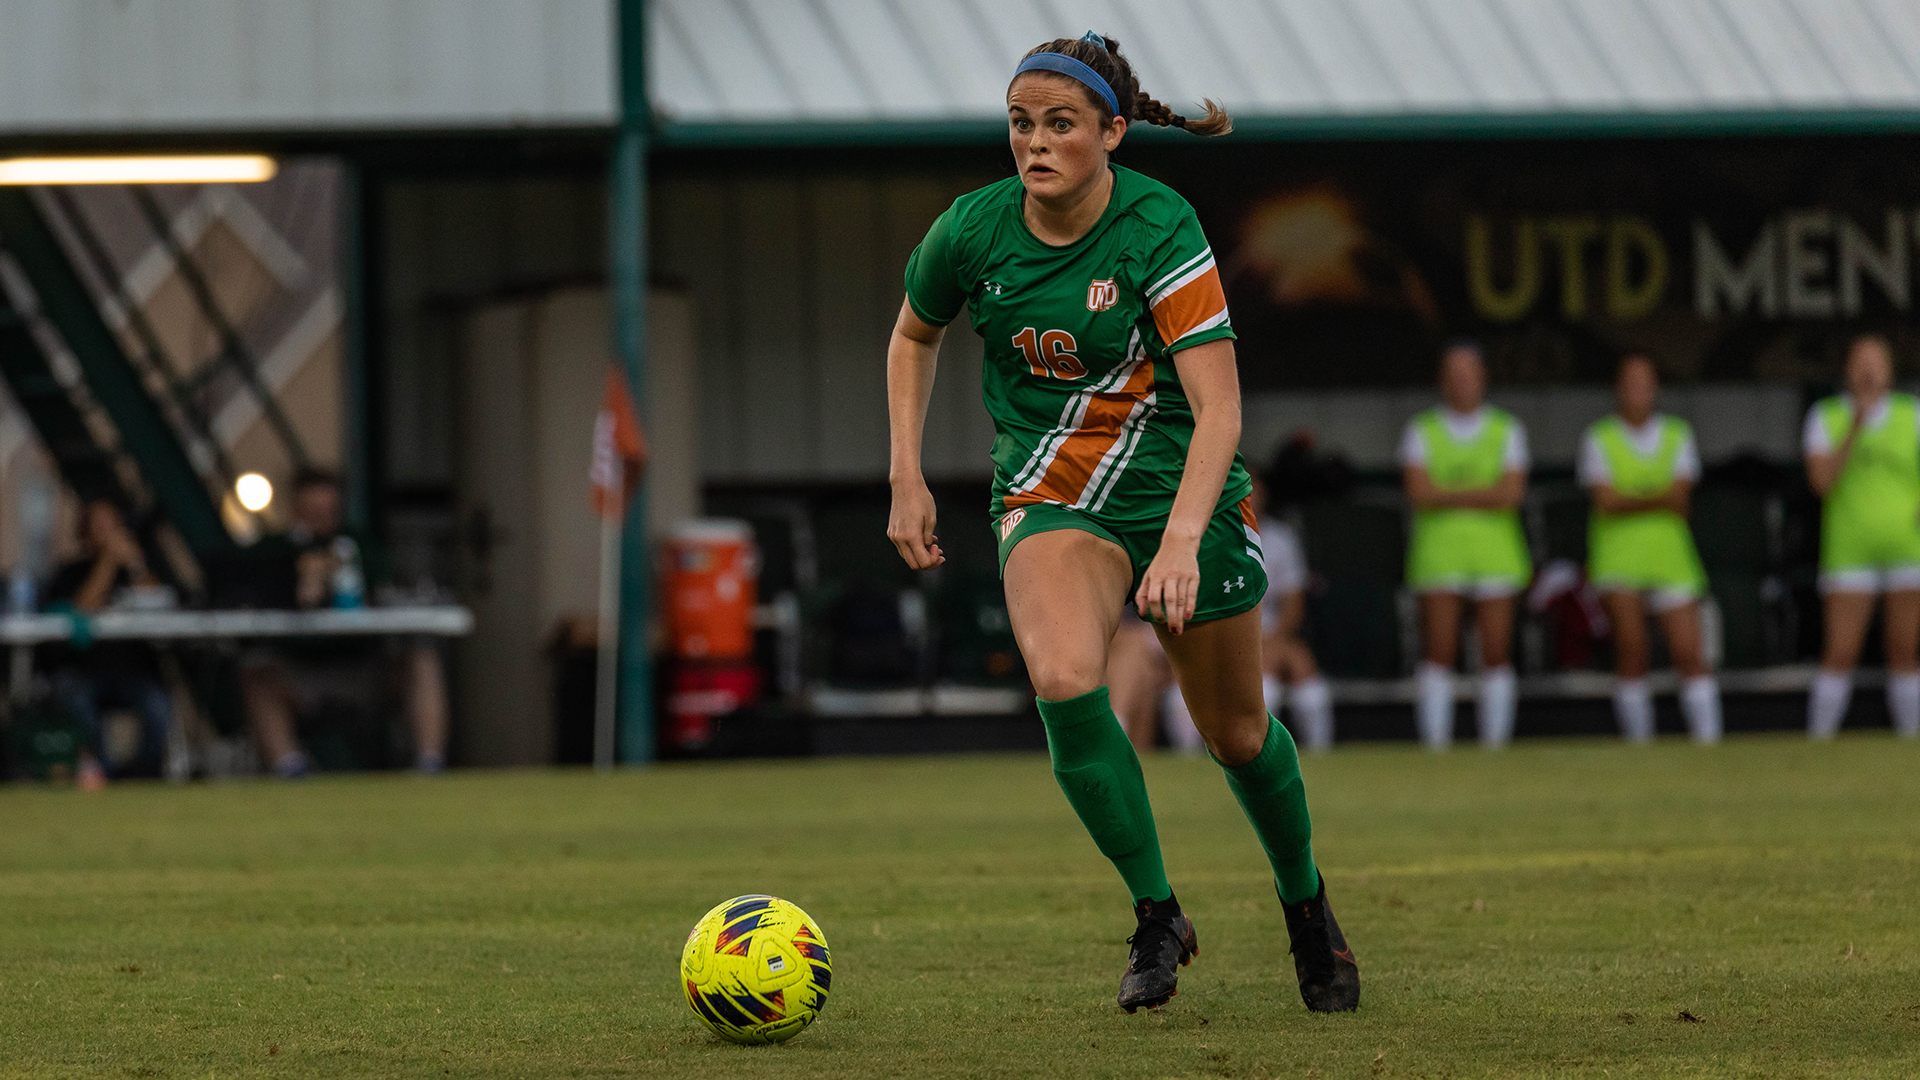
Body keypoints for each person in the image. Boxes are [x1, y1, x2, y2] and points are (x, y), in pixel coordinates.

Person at [885, 33, 1357, 1015]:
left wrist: (1181, 541)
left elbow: (1221, 409)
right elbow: (912, 334)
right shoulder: (971, 230)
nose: (1035, 142)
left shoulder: (1160, 223)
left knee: (1234, 734)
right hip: (1050, 493)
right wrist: (906, 474)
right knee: (1063, 678)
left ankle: (1305, 903)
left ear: (1112, 132)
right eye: (1021, 123)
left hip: (1180, 494)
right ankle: (1157, 914)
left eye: (1060, 123)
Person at [240, 469, 451, 775]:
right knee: (256, 675)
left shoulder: (359, 545)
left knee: (421, 661)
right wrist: (298, 581)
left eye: (328, 511)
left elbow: (386, 587)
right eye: (312, 511)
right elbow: (250, 595)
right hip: (302, 667)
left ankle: (429, 763)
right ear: (295, 508)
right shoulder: (272, 550)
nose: (320, 519)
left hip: (362, 665)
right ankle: (289, 767)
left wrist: (339, 571)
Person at [1578, 354, 1721, 744]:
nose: (1638, 390)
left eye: (1645, 382)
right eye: (1631, 382)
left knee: (1690, 653)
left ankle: (1709, 742)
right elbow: (1605, 501)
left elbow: (1680, 499)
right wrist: (1656, 496)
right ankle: (1639, 745)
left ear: (1655, 388)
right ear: (1618, 388)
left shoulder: (1678, 433)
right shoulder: (1599, 437)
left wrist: (1630, 497)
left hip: (1671, 558)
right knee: (1632, 651)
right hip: (1618, 559)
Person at [1401, 341, 1529, 750]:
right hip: (1439, 555)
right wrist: (1483, 491)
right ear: (1442, 380)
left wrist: (1448, 492)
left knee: (1495, 652)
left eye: (1469, 373)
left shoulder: (1507, 428)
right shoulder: (1421, 429)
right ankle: (1436, 746)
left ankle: (1495, 746)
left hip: (1496, 554)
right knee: (1439, 651)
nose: (1462, 382)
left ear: (1483, 378)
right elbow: (1418, 491)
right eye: (1454, 374)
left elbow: (1511, 494)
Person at [1803, 333, 1920, 739]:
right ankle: (1818, 743)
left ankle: (1911, 743)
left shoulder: (1912, 414)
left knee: (1905, 652)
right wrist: (1855, 424)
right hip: (1849, 552)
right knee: (1840, 652)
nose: (1869, 371)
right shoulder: (1826, 416)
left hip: (1907, 549)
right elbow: (1821, 482)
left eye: (1877, 363)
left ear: (1890, 371)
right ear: (1848, 370)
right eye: (1861, 363)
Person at [41, 499, 171, 787]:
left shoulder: (135, 567)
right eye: (98, 527)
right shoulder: (70, 572)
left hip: (132, 672)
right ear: (84, 532)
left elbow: (157, 604)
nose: (107, 534)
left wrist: (135, 564)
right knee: (77, 702)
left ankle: (142, 775)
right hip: (84, 671)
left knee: (158, 706)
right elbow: (82, 607)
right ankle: (103, 771)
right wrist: (108, 562)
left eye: (111, 526)